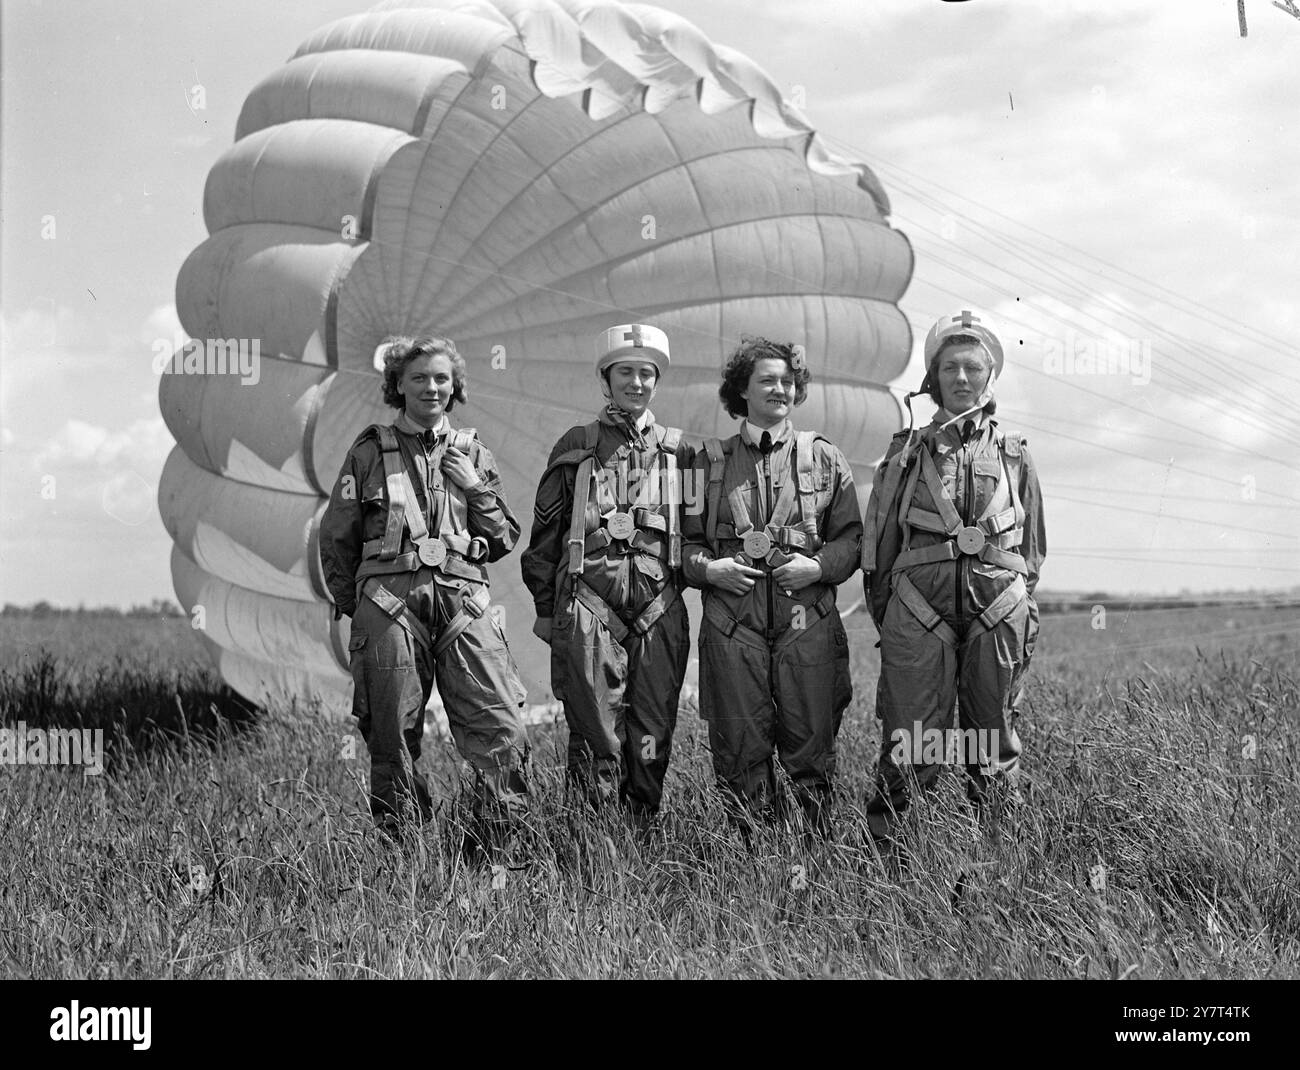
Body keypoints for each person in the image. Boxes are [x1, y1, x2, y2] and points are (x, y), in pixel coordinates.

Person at [319, 335, 531, 844]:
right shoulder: (368, 452)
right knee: (391, 735)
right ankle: (405, 856)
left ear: (455, 385)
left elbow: (503, 537)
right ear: (397, 385)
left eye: (441, 378)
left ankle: (495, 853)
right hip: (388, 607)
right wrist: (361, 607)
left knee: (502, 728)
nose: (431, 387)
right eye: (418, 378)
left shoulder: (475, 453)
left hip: (464, 602)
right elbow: (336, 537)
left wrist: (475, 486)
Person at [861, 309, 1046, 852]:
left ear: (990, 377)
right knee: (912, 739)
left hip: (998, 608)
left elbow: (1031, 551)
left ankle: (995, 863)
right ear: (932, 378)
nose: (961, 379)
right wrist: (895, 616)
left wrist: (1014, 604)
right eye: (949, 369)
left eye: (972, 368)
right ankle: (891, 866)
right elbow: (880, 549)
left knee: (992, 741)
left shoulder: (1015, 455)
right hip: (918, 610)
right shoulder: (906, 453)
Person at [681, 336, 860, 835]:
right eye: (767, 380)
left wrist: (819, 568)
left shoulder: (825, 458)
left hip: (807, 624)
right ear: (742, 388)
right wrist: (708, 570)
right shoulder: (706, 462)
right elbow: (680, 544)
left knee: (812, 747)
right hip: (733, 626)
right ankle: (753, 859)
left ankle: (815, 857)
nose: (780, 389)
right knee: (740, 749)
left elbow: (852, 540)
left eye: (787, 381)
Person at [521, 323, 694, 825]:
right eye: (625, 373)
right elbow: (544, 537)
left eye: (646, 374)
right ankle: (592, 849)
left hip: (659, 607)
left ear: (657, 381)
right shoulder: (577, 443)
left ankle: (639, 838)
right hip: (588, 603)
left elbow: (703, 533)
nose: (636, 383)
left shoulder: (681, 452)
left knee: (652, 731)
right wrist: (544, 609)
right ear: (606, 378)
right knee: (595, 731)